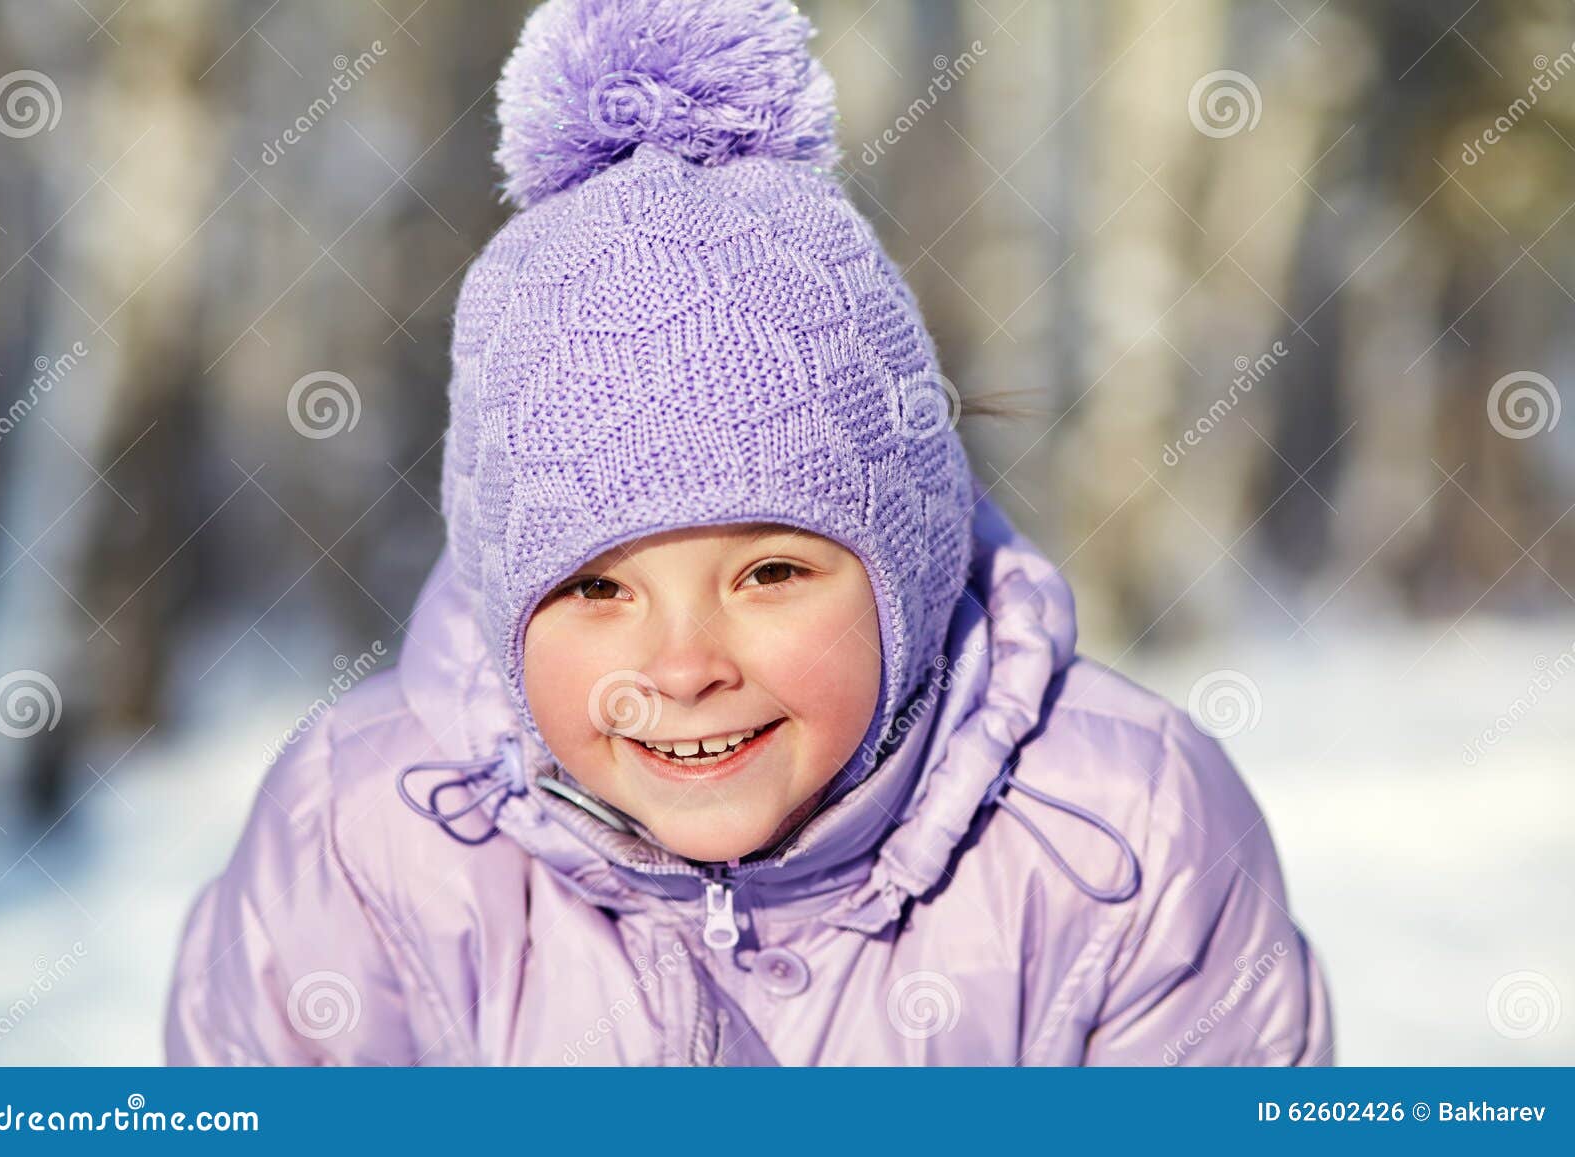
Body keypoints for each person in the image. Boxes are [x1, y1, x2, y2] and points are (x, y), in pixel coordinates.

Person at [164, 0, 1333, 1066]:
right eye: (594, 590)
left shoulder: (1121, 835)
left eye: (771, 570)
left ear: (909, 575)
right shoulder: (365, 842)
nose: (681, 667)